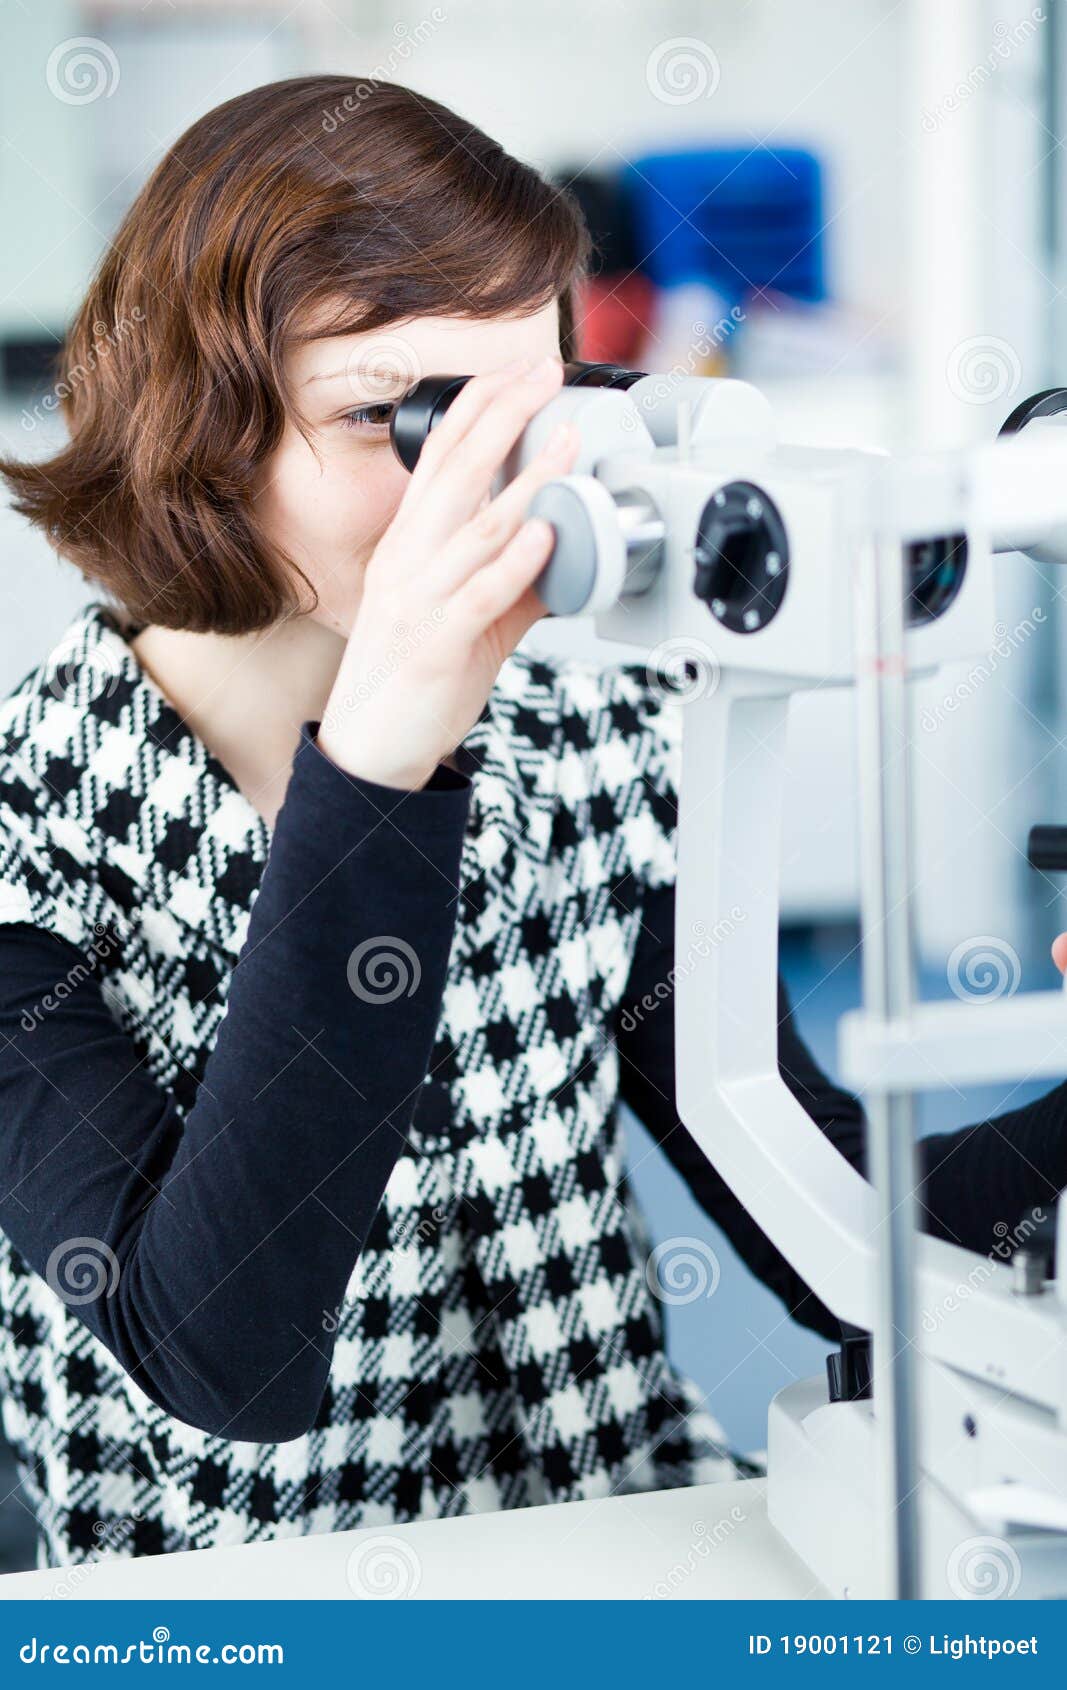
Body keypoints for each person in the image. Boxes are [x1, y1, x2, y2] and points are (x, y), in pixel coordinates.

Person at [0, 75, 1063, 1571]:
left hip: (612, 1538)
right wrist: (376, 762)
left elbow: (844, 1242)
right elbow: (219, 1351)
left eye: (524, 419)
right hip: (243, 1594)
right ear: (202, 423)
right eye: (402, 422)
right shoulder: (31, 844)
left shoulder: (587, 753)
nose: (487, 496)